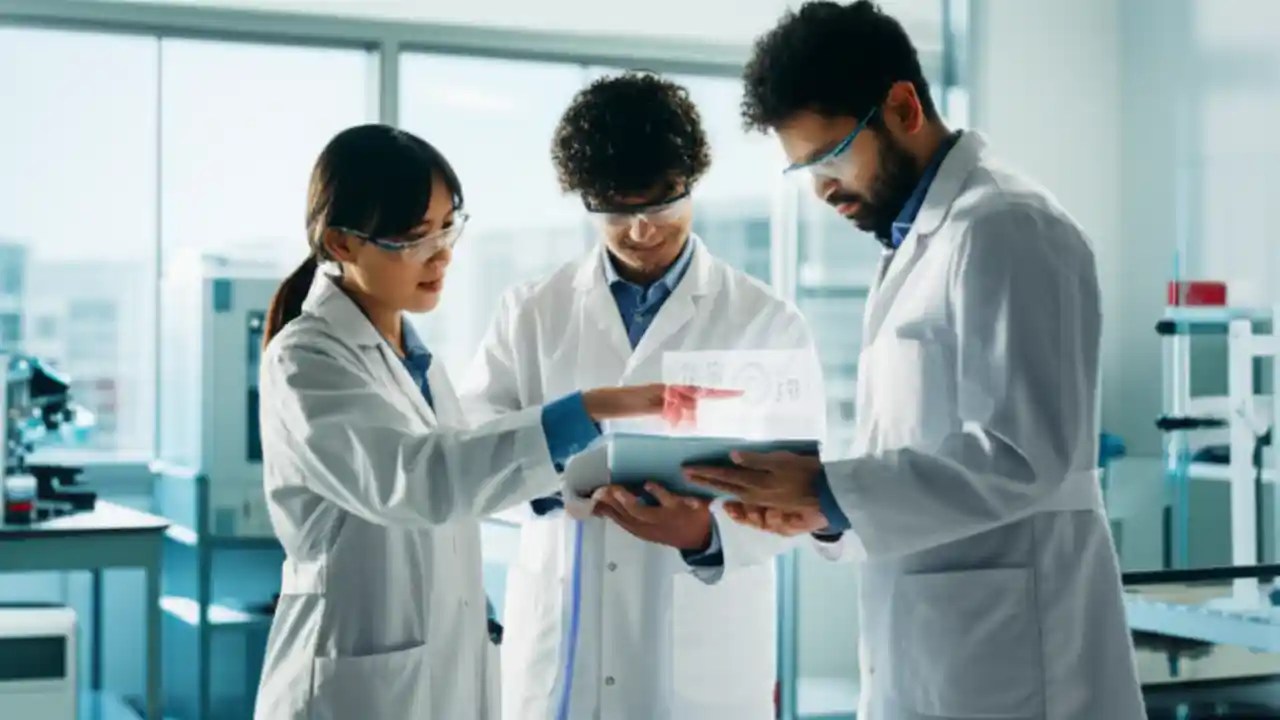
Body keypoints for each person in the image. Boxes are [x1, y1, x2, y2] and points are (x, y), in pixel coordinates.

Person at [685, 3, 1146, 719]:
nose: (821, 190)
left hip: (1018, 661)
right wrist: (825, 513)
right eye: (802, 169)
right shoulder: (924, 239)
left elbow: (1025, 456)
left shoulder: (1007, 226)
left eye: (830, 156)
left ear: (902, 106)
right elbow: (914, 452)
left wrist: (831, 490)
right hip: (940, 646)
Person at [253, 124, 707, 720]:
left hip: (437, 676)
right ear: (341, 243)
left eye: (449, 226)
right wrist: (590, 408)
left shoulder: (416, 361)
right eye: (415, 237)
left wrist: (586, 480)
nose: (442, 253)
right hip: (351, 688)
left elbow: (465, 475)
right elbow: (418, 482)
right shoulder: (305, 360)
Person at [461, 72, 825, 720]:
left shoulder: (765, 321)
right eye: (615, 209)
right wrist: (555, 482)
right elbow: (473, 447)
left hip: (703, 658)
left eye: (659, 204)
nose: (639, 230)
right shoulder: (532, 312)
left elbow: (801, 492)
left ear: (691, 181)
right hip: (563, 640)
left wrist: (704, 533)